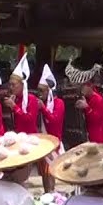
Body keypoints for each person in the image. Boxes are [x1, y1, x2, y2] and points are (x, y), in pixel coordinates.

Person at [37, 64, 65, 194]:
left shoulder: (59, 103)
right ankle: (46, 192)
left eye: (42, 91)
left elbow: (55, 120)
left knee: (50, 169)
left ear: (49, 91)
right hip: (43, 141)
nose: (39, 93)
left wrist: (43, 108)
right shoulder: (42, 103)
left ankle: (51, 193)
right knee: (43, 171)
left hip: (54, 141)